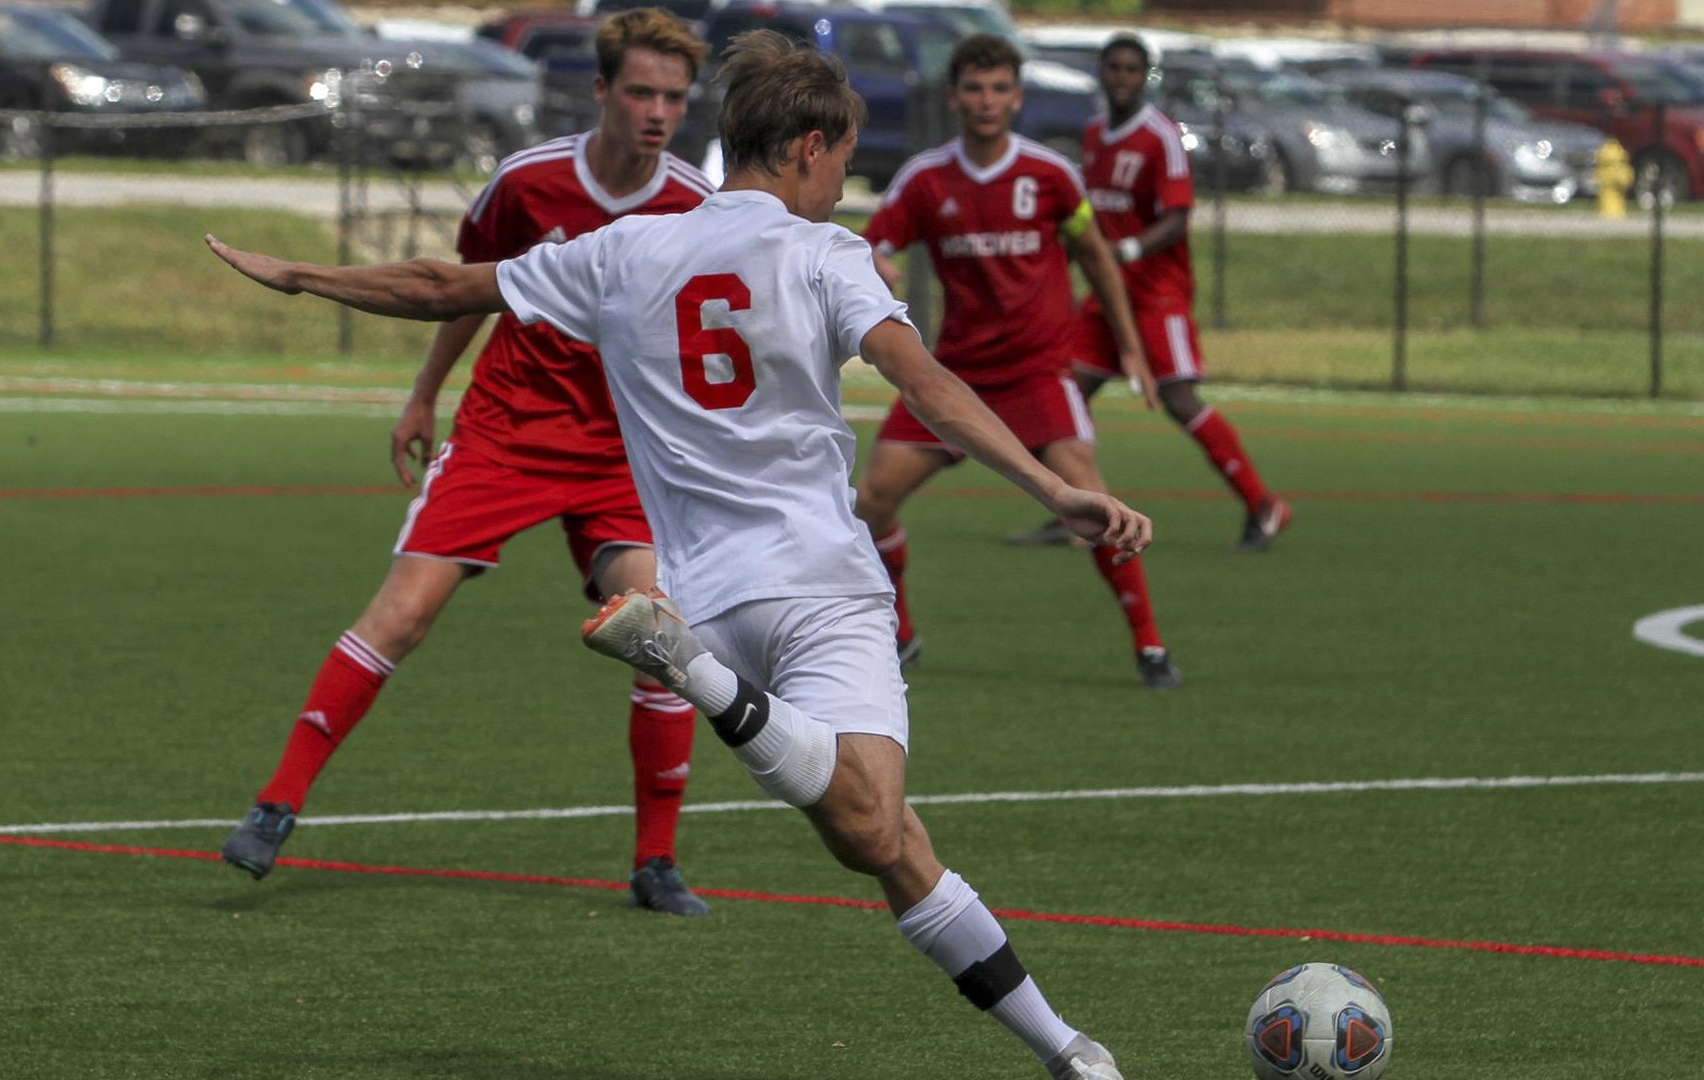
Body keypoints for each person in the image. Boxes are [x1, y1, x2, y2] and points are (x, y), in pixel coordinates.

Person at [206, 29, 1145, 1080]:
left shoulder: (627, 250)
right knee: (873, 823)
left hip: (704, 595)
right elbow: (922, 381)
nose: (845, 181)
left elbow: (438, 285)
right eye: (843, 159)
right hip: (822, 586)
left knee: (884, 841)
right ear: (806, 148)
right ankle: (692, 679)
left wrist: (296, 274)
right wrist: (1056, 482)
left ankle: (1069, 1054)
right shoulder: (825, 253)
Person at [217, 8, 717, 917]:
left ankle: (657, 863)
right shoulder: (527, 181)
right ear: (602, 91)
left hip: (619, 456)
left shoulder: (693, 203)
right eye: (639, 91)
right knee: (402, 612)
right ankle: (276, 802)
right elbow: (461, 288)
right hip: (507, 432)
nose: (656, 111)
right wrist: (423, 394)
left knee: (664, 638)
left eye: (673, 98)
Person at [858, 33, 1179, 689]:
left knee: (1091, 503)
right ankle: (904, 633)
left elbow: (1095, 257)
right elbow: (876, 243)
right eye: (974, 88)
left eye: (999, 88)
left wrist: (1128, 344)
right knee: (872, 501)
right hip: (953, 379)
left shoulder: (1051, 175)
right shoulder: (926, 178)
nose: (986, 100)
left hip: (1037, 375)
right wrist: (878, 261)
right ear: (954, 97)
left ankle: (1150, 645)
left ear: (1017, 97)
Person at [1008, 33, 1289, 552]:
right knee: (1063, 393)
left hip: (1158, 295)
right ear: (1101, 72)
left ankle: (1263, 505)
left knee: (1180, 400)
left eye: (1131, 69)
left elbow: (1179, 217)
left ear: (1145, 77)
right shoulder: (1095, 135)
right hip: (1104, 300)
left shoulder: (1159, 137)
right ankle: (1079, 513)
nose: (1121, 77)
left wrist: (1128, 252)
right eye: (1113, 67)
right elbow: (1087, 215)